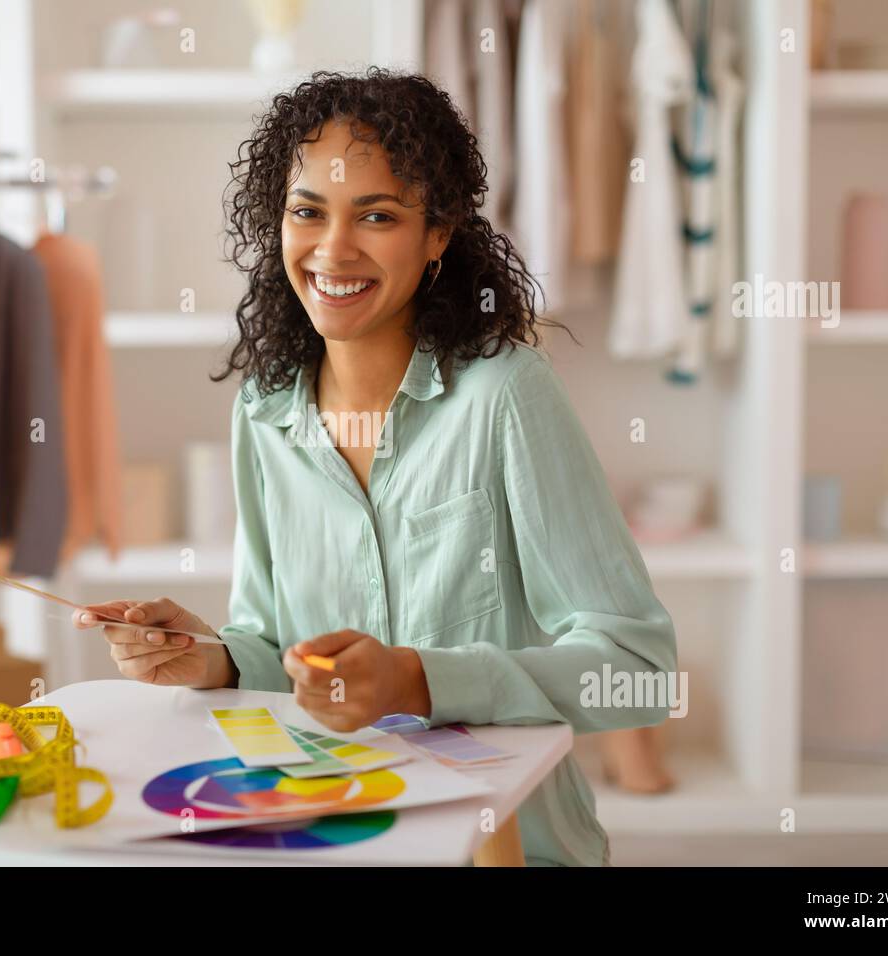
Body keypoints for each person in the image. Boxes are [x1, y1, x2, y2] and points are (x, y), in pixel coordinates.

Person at [75, 67, 677, 866]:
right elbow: (276, 648)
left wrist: (419, 680)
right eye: (306, 212)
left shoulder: (504, 397)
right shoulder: (265, 410)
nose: (333, 249)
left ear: (437, 236)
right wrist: (215, 658)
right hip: (329, 841)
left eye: (378, 215)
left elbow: (640, 669)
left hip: (508, 849)